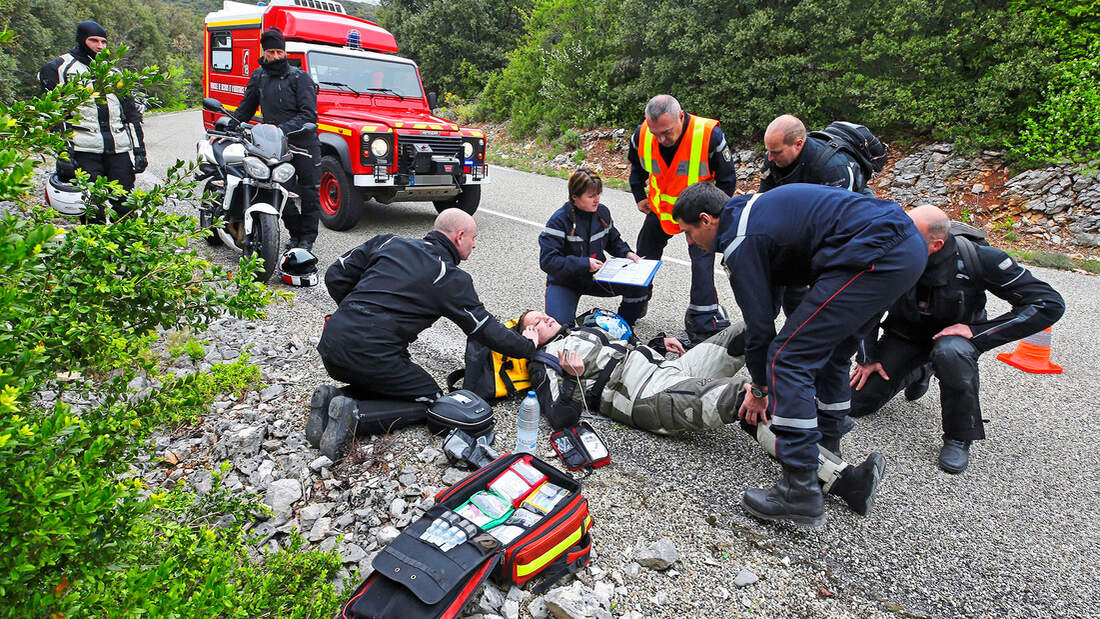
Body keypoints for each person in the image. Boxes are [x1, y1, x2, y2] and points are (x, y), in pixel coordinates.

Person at [673, 182, 928, 527]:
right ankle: (827, 447)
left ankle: (799, 487)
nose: (689, 242)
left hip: (874, 251)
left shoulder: (739, 241)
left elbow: (760, 328)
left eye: (688, 232)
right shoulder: (755, 215)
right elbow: (774, 300)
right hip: (905, 248)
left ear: (706, 220)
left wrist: (760, 388)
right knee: (832, 352)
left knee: (787, 357)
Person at [519, 311, 886, 516]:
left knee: (748, 331)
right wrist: (570, 376)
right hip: (650, 396)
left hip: (671, 368)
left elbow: (622, 351)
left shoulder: (579, 328)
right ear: (529, 335)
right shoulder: (544, 361)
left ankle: (803, 400)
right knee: (745, 398)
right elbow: (561, 417)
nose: (544, 318)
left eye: (543, 313)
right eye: (533, 322)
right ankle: (845, 482)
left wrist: (656, 344)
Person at [850, 206, 1065, 473]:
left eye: (909, 238)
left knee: (951, 352)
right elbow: (865, 304)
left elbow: (1048, 303)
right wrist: (868, 356)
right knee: (855, 405)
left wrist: (978, 333)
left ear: (936, 244)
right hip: (905, 336)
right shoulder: (892, 254)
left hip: (953, 339)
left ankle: (958, 436)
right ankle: (920, 370)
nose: (899, 242)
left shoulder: (979, 259)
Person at [313, 209, 540, 459]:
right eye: (473, 238)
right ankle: (355, 417)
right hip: (371, 356)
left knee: (393, 379)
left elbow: (335, 274)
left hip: (331, 344)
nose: (474, 245)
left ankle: (336, 399)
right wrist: (528, 346)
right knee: (431, 399)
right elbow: (486, 330)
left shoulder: (389, 242)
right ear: (459, 236)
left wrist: (353, 314)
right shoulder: (449, 277)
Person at [627, 94, 737, 343]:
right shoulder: (642, 134)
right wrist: (639, 195)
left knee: (702, 265)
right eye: (656, 134)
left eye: (666, 132)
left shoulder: (708, 134)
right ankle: (634, 304)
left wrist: (715, 219)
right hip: (661, 211)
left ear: (680, 116)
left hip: (697, 217)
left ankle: (703, 322)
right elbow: (636, 167)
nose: (661, 140)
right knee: (644, 254)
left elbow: (727, 180)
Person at [39, 20, 147, 223]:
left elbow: (131, 115)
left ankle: (127, 244)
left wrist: (139, 151)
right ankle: (98, 244)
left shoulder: (114, 74)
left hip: (118, 150)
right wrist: (64, 154)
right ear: (81, 40)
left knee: (126, 206)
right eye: (94, 40)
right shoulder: (58, 68)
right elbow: (55, 116)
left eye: (104, 42)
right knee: (92, 209)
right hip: (84, 150)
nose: (100, 46)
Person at [228, 27, 321, 251]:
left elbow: (309, 114)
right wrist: (228, 128)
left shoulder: (300, 78)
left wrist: (280, 129)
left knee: (310, 192)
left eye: (280, 52)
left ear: (285, 52)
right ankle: (295, 233)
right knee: (275, 190)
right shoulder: (258, 77)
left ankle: (307, 240)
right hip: (273, 145)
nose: (276, 57)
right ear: (264, 52)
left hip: (304, 142)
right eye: (271, 52)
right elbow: (245, 109)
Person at [539, 168, 647, 326]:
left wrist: (627, 253)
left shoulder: (602, 213)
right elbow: (547, 261)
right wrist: (584, 264)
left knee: (640, 285)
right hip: (565, 281)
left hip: (597, 276)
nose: (596, 200)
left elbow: (613, 240)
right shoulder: (558, 221)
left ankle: (624, 326)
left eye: (598, 194)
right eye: (591, 196)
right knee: (559, 327)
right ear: (575, 196)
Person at [758, 115, 872, 196]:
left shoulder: (831, 167)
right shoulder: (772, 159)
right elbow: (763, 198)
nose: (770, 157)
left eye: (777, 152)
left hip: (852, 198)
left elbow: (841, 213)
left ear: (798, 144)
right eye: (769, 151)